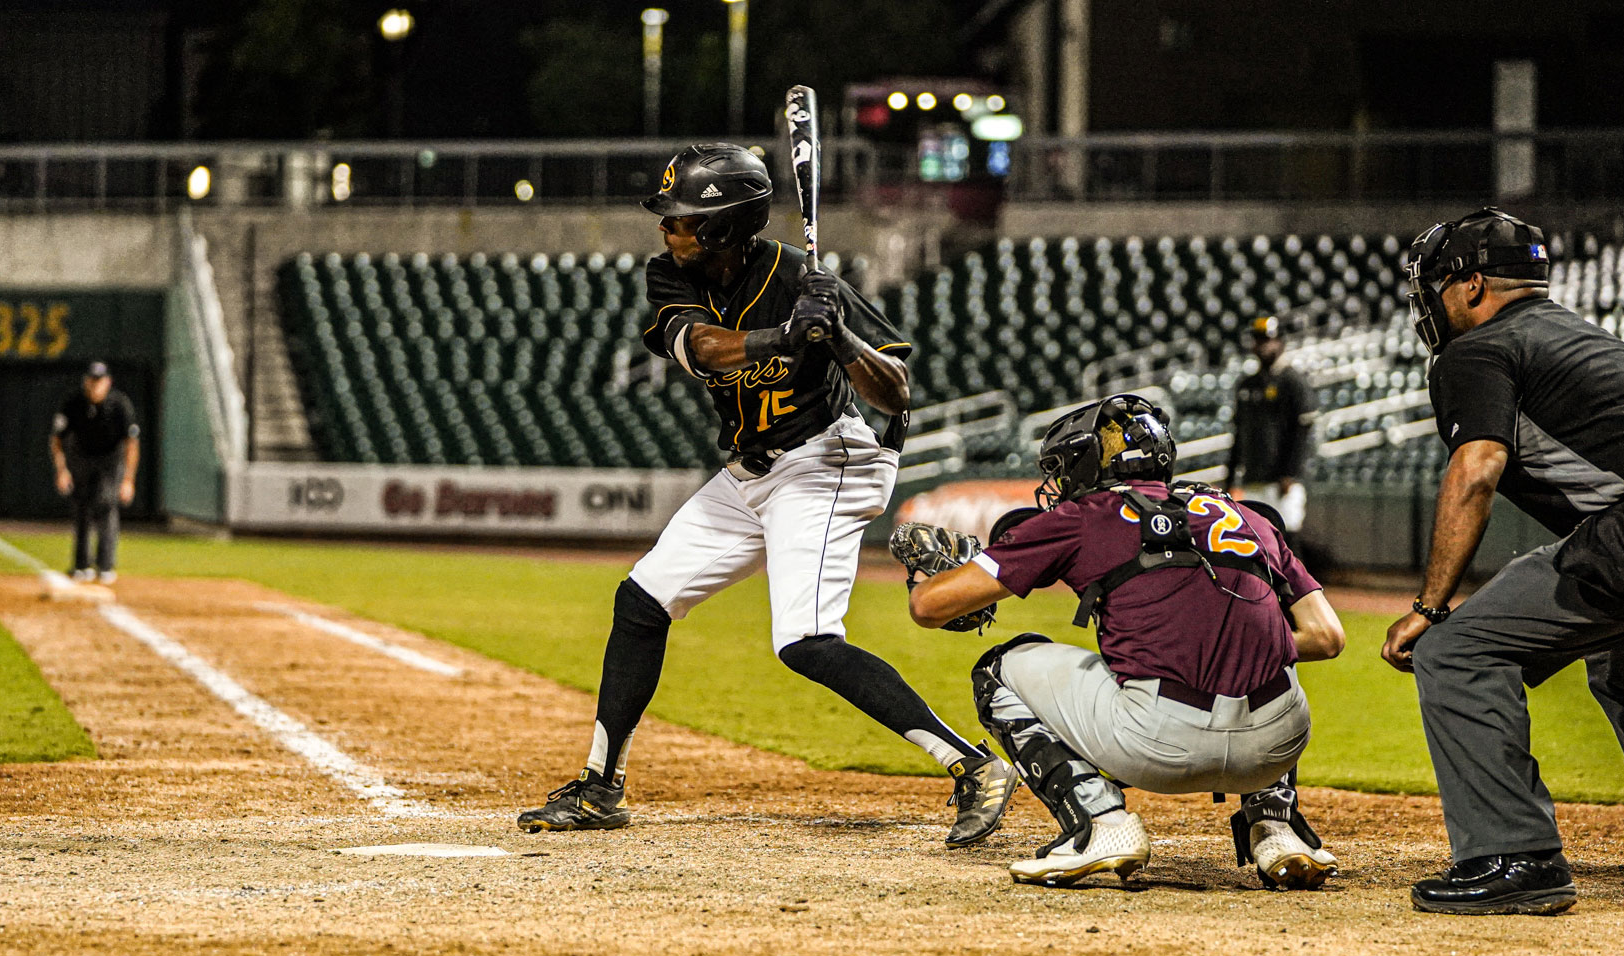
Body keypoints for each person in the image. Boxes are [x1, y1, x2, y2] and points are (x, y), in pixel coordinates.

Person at [517, 143, 1019, 845]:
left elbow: (895, 393)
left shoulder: (802, 277)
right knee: (641, 601)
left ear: (721, 228)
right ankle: (601, 790)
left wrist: (838, 333)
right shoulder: (671, 275)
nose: (666, 229)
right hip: (750, 472)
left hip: (825, 461)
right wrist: (785, 335)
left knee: (807, 640)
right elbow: (702, 350)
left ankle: (973, 767)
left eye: (681, 219)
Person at [1382, 207, 1624, 914]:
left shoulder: (1476, 348)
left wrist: (1430, 607)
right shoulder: (1578, 335)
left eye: (1435, 286)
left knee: (1457, 651)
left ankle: (1514, 856)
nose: (1429, 303)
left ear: (1467, 286)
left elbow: (1477, 470)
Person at [896, 393, 1346, 889]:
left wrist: (926, 577)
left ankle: (1102, 824)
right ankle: (1277, 829)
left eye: (1064, 467)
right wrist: (1215, 642)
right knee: (1262, 645)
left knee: (997, 670)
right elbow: (1326, 638)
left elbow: (930, 608)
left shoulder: (1081, 516)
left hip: (1157, 742)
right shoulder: (1243, 515)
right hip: (1276, 743)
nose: (1061, 481)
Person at [50, 361, 139, 585]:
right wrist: (62, 470)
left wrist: (128, 479)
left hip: (110, 461)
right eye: (91, 380)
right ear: (85, 381)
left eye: (99, 381)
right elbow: (56, 439)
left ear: (107, 382)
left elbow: (131, 444)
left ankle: (106, 565)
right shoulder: (73, 403)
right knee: (81, 508)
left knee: (105, 504)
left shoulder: (120, 405)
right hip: (82, 458)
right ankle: (81, 565)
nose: (94, 386)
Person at [1225, 316, 1313, 532]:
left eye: (1268, 339)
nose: (1263, 346)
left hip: (1282, 481)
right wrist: (1231, 478)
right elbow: (1238, 434)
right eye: (1258, 340)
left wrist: (1290, 473)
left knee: (1287, 538)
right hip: (1253, 478)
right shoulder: (1247, 384)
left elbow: (1301, 430)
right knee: (1255, 542)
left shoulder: (1292, 381)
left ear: (1280, 342)